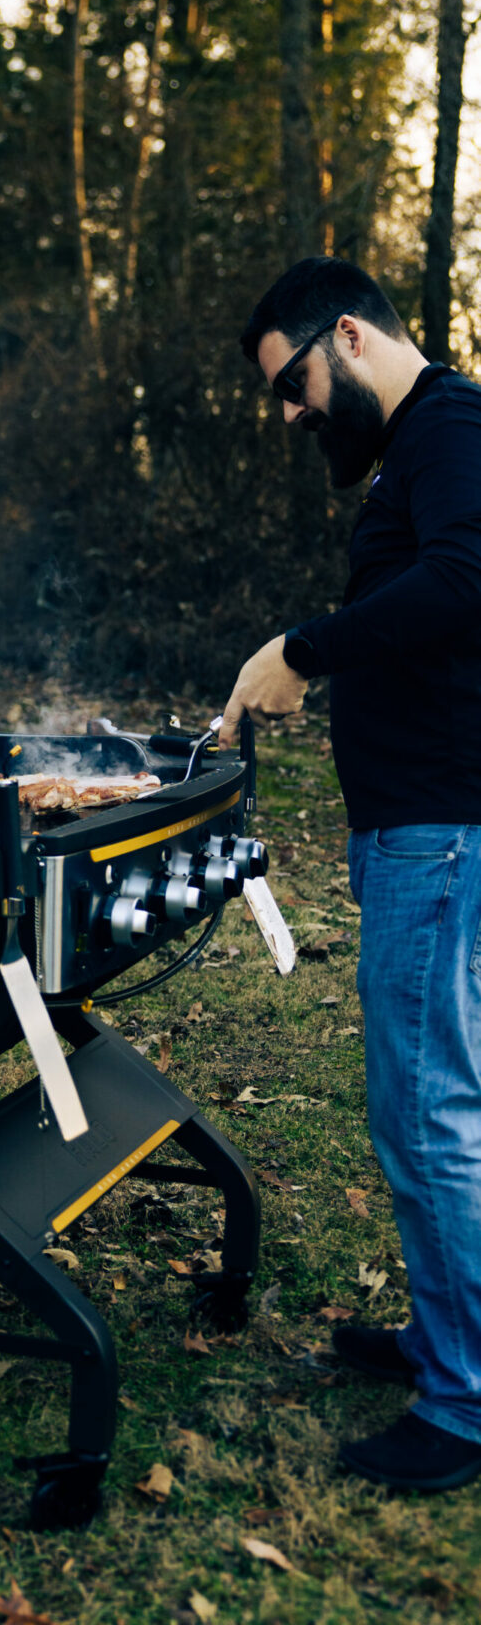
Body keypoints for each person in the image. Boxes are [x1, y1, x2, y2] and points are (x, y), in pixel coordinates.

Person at [219, 255, 481, 1492]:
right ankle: (448, 1341)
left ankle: (463, 1404)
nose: (290, 413)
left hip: (439, 831)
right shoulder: (428, 442)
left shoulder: (450, 426)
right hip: (419, 831)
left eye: (292, 385)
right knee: (438, 1105)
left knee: (425, 1115)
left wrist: (302, 651)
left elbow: (464, 586)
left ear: (346, 335)